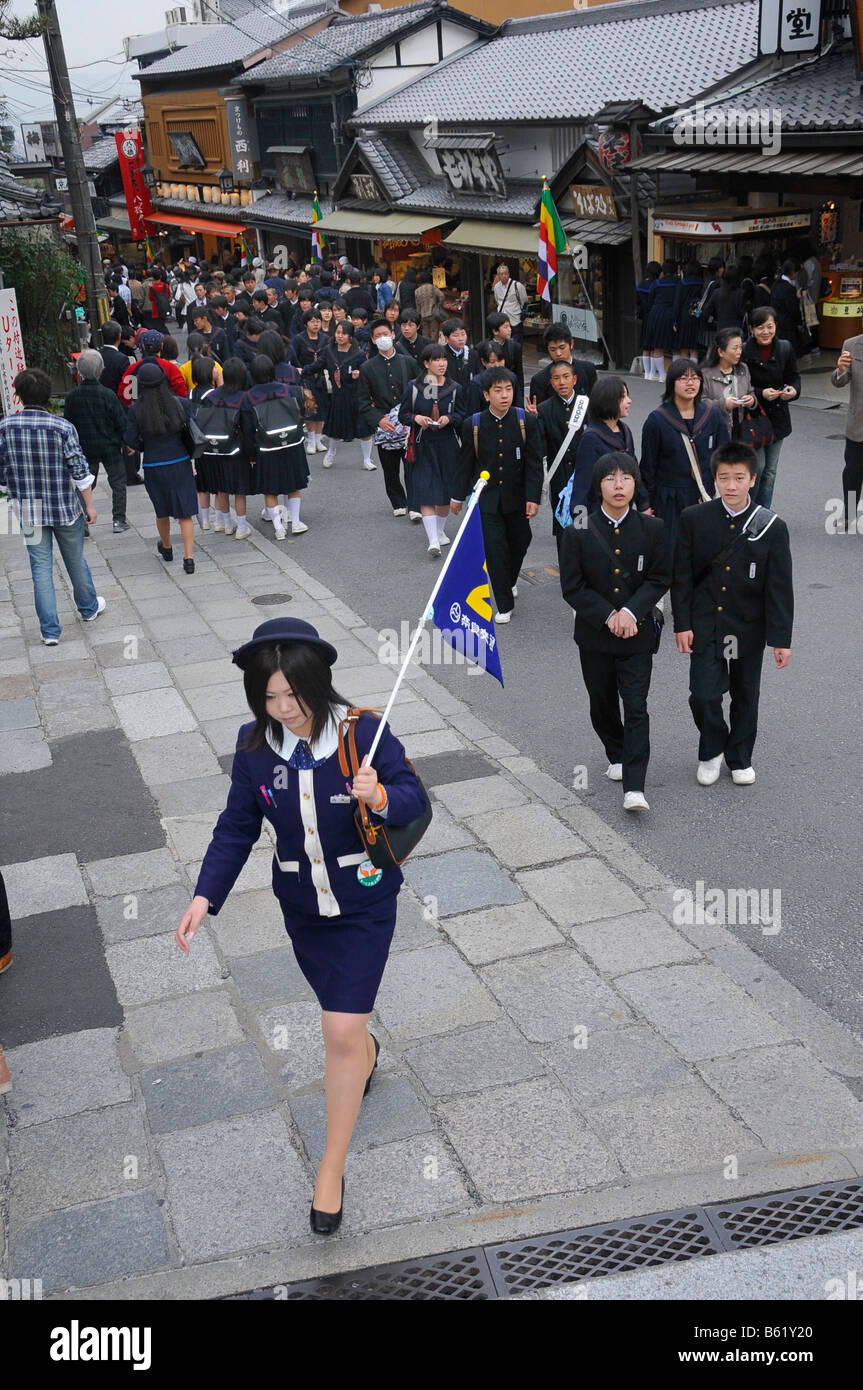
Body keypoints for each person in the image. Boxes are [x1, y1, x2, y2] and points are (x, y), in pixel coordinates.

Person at [175, 618, 428, 1232]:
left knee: (337, 1030)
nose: (284, 709)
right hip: (304, 911)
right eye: (270, 698)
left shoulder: (363, 733)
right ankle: (364, 1052)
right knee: (347, 1029)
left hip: (366, 906)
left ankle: (330, 1168)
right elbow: (237, 826)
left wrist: (379, 798)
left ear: (318, 683)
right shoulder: (254, 748)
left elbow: (415, 800)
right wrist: (206, 894)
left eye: (294, 695)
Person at [672, 440, 793, 786]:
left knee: (745, 693)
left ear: (753, 480)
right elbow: (681, 577)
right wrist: (683, 623)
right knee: (704, 693)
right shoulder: (694, 519)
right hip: (706, 623)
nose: (731, 485)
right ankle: (712, 748)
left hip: (747, 626)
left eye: (739, 478)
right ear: (715, 480)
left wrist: (781, 640)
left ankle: (740, 756)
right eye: (724, 478)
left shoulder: (772, 527)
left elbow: (780, 588)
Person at [559, 453, 670, 810]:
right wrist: (608, 615)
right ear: (598, 486)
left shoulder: (653, 529)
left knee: (636, 705)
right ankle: (617, 751)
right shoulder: (577, 530)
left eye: (625, 478)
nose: (618, 485)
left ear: (636, 484)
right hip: (594, 635)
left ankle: (635, 786)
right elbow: (572, 587)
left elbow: (659, 577)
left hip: (638, 635)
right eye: (610, 478)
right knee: (601, 701)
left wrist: (631, 611)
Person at [0, 368, 105, 643]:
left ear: (18, 395)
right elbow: (80, 472)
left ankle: (49, 631)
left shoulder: (5, 427)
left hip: (28, 510)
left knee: (40, 567)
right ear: (48, 396)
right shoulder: (62, 427)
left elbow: (2, 473)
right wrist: (90, 506)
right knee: (75, 561)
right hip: (65, 508)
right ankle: (88, 608)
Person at [453, 366, 542, 623]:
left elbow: (534, 463)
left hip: (518, 498)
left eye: (509, 389)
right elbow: (465, 464)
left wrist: (533, 497)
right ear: (486, 394)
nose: (504, 395)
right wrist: (457, 497)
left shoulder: (527, 421)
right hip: (487, 500)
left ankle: (510, 579)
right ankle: (503, 603)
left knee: (521, 540)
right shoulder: (474, 424)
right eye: (498, 390)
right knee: (494, 551)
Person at [640, 360, 729, 558]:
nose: (691, 383)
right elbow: (648, 467)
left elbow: (725, 457)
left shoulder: (712, 415)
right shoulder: (657, 420)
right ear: (671, 382)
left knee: (703, 556)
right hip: (669, 499)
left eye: (695, 378)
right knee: (673, 556)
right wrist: (645, 505)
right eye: (683, 378)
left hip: (704, 496)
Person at [123, 361, 199, 573]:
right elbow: (193, 429)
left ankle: (166, 547)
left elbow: (131, 439)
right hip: (179, 462)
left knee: (162, 511)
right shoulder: (180, 403)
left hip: (153, 464)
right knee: (185, 513)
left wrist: (140, 446)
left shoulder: (136, 410)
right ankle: (189, 557)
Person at [399, 342, 464, 557]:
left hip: (447, 445)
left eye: (444, 359)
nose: (442, 363)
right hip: (423, 443)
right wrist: (416, 418)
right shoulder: (414, 388)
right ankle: (433, 540)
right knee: (426, 491)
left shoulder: (455, 388)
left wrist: (450, 418)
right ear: (426, 363)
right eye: (436, 360)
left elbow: (462, 415)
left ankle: (439, 529)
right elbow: (403, 414)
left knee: (445, 492)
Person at [357, 319, 420, 518]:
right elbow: (362, 401)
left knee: (412, 465)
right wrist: (379, 420)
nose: (383, 338)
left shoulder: (407, 362)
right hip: (385, 424)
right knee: (390, 468)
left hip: (408, 423)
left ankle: (415, 504)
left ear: (393, 334)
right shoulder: (367, 367)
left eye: (386, 333)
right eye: (378, 336)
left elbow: (421, 389)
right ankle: (398, 502)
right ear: (373, 341)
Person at [63, 349, 130, 534]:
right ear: (101, 370)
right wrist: (128, 442)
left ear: (79, 371)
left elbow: (68, 424)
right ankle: (118, 520)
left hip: (85, 448)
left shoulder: (72, 397)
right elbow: (120, 421)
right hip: (110, 446)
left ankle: (82, 521)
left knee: (85, 484)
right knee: (117, 482)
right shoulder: (108, 394)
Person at [245, 354, 309, 539]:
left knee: (270, 489)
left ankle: (278, 528)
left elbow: (248, 429)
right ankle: (295, 522)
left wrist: (251, 454)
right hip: (291, 443)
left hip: (266, 448)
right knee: (293, 485)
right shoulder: (288, 390)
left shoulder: (249, 397)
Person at [741, 307, 800, 508]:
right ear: (751, 329)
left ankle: (763, 513)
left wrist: (793, 390)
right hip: (752, 418)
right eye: (760, 327)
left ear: (775, 326)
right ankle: (749, 510)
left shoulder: (784, 348)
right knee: (757, 467)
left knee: (770, 471)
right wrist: (760, 393)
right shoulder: (743, 351)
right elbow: (737, 385)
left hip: (777, 417)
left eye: (769, 326)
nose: (765, 332)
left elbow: (794, 377)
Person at [192, 355, 252, 537]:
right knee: (239, 490)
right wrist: (252, 455)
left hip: (214, 449)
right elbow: (248, 429)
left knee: (221, 488)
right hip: (236, 450)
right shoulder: (244, 398)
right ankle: (241, 527)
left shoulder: (212, 396)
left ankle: (227, 523)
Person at [302, 320, 374, 471]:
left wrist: (359, 374)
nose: (340, 336)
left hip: (355, 397)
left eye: (344, 333)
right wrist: (302, 370)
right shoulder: (329, 351)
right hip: (338, 396)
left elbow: (368, 373)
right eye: (338, 332)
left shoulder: (358, 354)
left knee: (364, 430)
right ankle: (331, 453)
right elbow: (318, 365)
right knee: (335, 430)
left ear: (350, 336)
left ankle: (367, 459)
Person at [538, 359, 589, 534]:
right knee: (563, 527)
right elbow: (540, 445)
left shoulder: (587, 405)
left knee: (583, 525)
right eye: (556, 378)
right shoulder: (544, 409)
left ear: (574, 379)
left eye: (566, 377)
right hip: (558, 475)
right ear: (551, 382)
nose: (561, 382)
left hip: (583, 473)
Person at [831, 332, 863, 527]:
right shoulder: (851, 344)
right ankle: (849, 513)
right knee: (853, 472)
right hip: (858, 422)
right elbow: (839, 381)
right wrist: (840, 370)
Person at [527, 323, 597, 407]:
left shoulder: (588, 369)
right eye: (553, 349)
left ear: (571, 344)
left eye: (562, 347)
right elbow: (538, 413)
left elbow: (596, 404)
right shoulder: (539, 380)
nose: (558, 353)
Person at [701, 329, 756, 431]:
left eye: (740, 347)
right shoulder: (705, 373)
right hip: (715, 429)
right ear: (721, 352)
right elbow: (700, 403)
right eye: (735, 348)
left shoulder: (743, 369)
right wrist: (723, 404)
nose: (739, 352)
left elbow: (750, 391)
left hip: (740, 428)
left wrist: (751, 400)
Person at [293, 306, 329, 456]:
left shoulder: (325, 339)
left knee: (321, 408)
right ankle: (311, 440)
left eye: (318, 321)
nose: (316, 324)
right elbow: (294, 358)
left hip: (321, 377)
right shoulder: (299, 339)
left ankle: (319, 439)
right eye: (313, 321)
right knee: (309, 408)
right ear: (306, 323)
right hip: (306, 378)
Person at [118, 330, 188, 405]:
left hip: (142, 409)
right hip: (167, 408)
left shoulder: (133, 368)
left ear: (144, 346)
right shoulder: (171, 367)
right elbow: (182, 392)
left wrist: (133, 406)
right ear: (161, 345)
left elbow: (124, 393)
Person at [643, 260, 680, 382]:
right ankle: (674, 375)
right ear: (676, 270)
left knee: (657, 346)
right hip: (672, 313)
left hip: (656, 314)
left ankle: (662, 375)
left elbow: (650, 301)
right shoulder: (679, 283)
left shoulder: (657, 283)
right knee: (675, 347)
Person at [463, 341, 521, 415]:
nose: (497, 365)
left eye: (500, 360)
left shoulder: (512, 377)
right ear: (483, 362)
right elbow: (473, 411)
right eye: (492, 362)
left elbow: (518, 404)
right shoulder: (477, 382)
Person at [703, 264, 751, 336]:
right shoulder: (741, 293)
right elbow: (743, 313)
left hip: (721, 330)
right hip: (737, 330)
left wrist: (714, 322)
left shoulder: (717, 292)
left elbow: (706, 313)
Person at [671, 261, 704, 363]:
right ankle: (693, 372)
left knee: (684, 348)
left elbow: (677, 303)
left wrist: (674, 321)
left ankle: (683, 372)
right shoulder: (702, 283)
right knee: (694, 348)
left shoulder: (682, 283)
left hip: (684, 316)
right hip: (697, 315)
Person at [492, 262, 529, 344]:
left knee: (516, 343)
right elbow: (497, 300)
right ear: (498, 276)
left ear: (508, 274)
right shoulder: (497, 287)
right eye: (501, 274)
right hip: (502, 318)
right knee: (503, 342)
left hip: (515, 318)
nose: (504, 276)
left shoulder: (517, 285)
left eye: (505, 273)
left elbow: (524, 300)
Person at [487, 311, 524, 392]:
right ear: (495, 331)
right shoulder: (482, 347)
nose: (510, 330)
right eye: (505, 327)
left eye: (509, 326)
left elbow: (519, 373)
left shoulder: (515, 347)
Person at [770, 259, 801, 351]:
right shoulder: (788, 288)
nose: (797, 275)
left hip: (777, 322)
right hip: (787, 326)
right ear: (792, 272)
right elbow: (793, 309)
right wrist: (797, 298)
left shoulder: (776, 284)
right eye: (797, 272)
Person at [636, 260, 660, 377]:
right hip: (655, 317)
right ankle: (652, 372)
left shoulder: (641, 284)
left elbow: (637, 301)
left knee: (645, 345)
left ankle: (646, 373)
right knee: (655, 345)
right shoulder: (657, 285)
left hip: (645, 317)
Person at [441, 319, 479, 390]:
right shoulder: (441, 354)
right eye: (456, 335)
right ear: (446, 338)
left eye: (463, 334)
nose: (461, 339)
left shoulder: (472, 353)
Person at [99, 320, 132, 394]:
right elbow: (128, 385)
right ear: (119, 336)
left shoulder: (95, 355)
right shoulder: (122, 359)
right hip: (117, 400)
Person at [415, 270, 444, 341]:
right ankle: (434, 349)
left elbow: (417, 305)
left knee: (425, 333)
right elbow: (442, 296)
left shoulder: (417, 291)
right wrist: (438, 305)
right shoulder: (432, 288)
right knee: (434, 333)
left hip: (423, 315)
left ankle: (427, 349)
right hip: (432, 313)